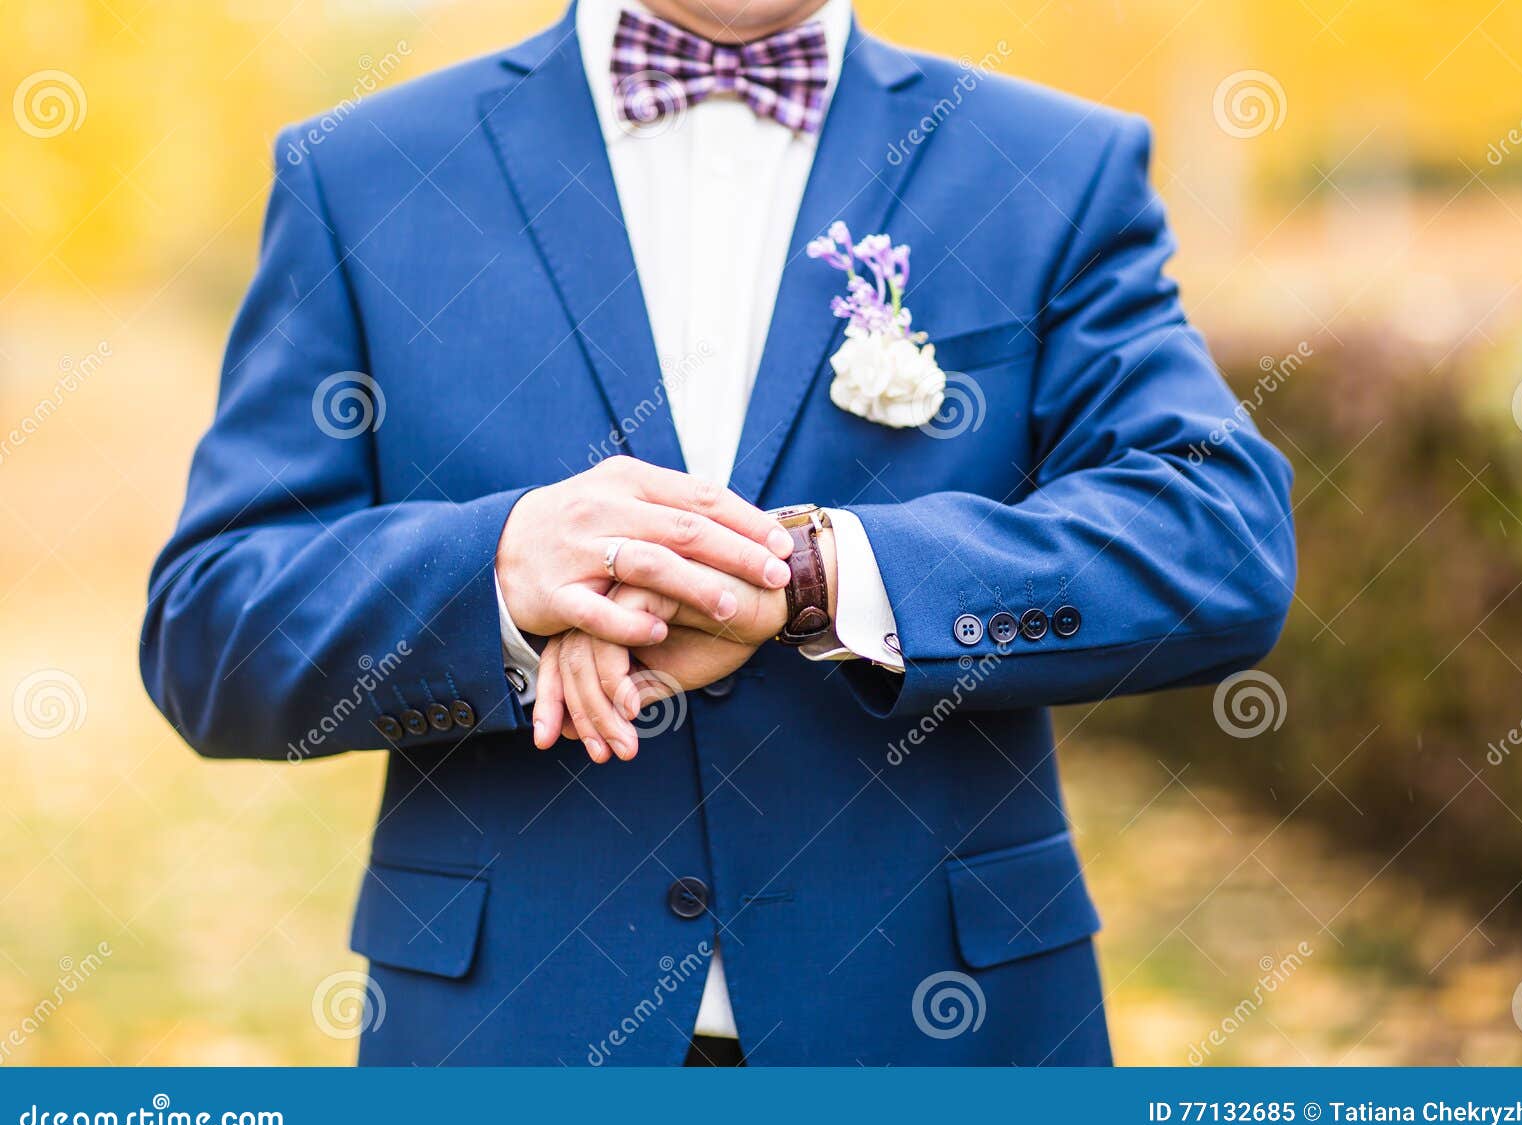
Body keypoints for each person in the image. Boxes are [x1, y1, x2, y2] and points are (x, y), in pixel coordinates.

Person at [142, 0, 1296, 1066]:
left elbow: (1219, 532)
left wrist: (820, 579)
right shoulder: (364, 176)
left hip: (943, 1030)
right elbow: (211, 625)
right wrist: (500, 575)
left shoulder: (1048, 165)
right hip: (510, 1038)